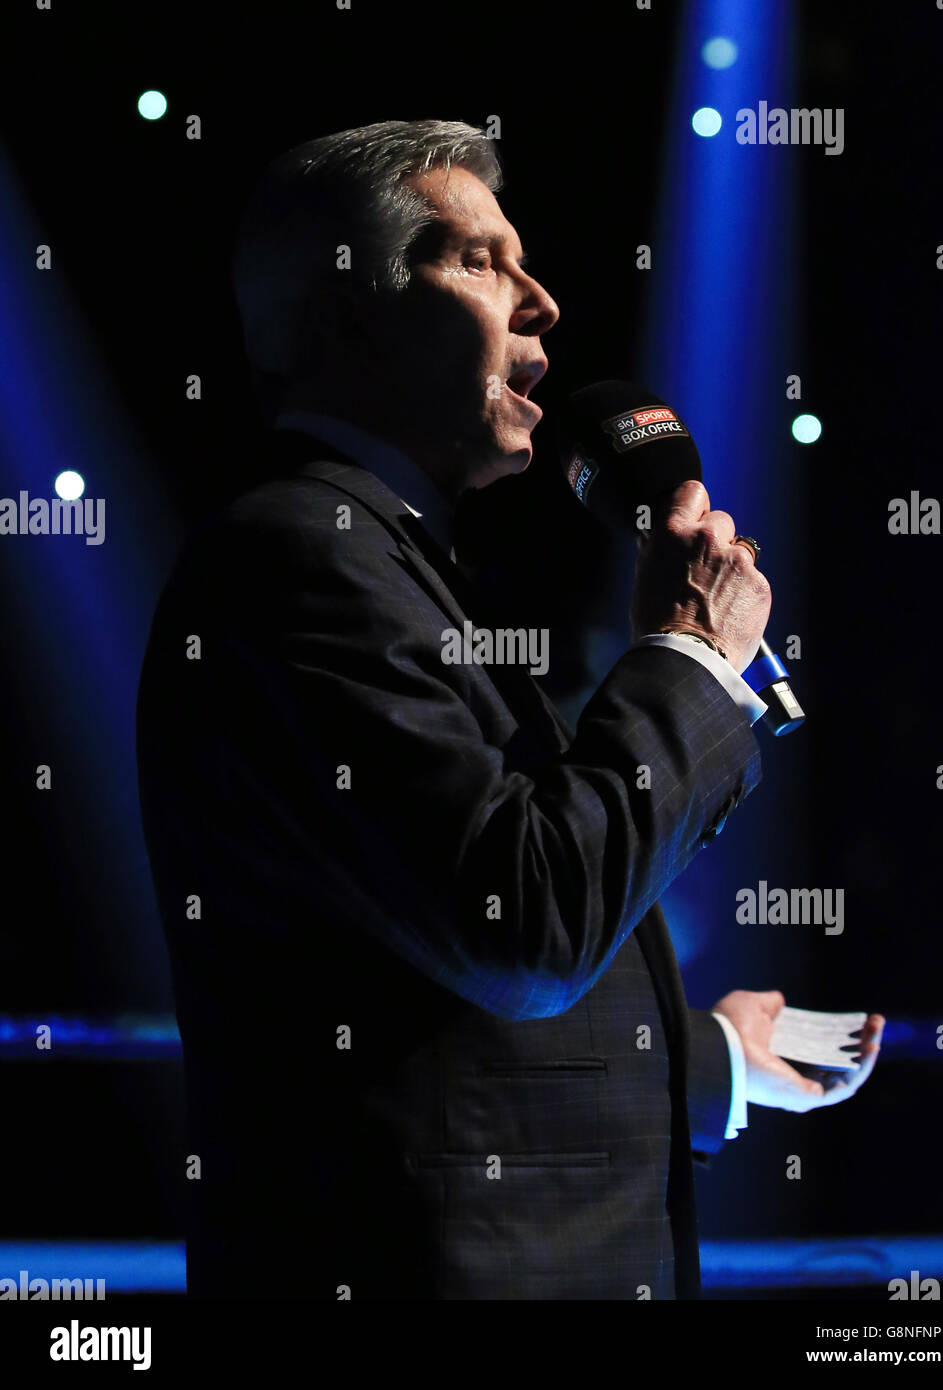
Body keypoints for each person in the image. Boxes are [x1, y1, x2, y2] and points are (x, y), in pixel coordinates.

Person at [136, 119, 883, 1300]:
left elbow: (424, 983)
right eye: (478, 260)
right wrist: (688, 656)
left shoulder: (383, 562)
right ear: (347, 315)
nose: (539, 300)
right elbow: (520, 919)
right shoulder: (298, 562)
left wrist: (704, 1058)